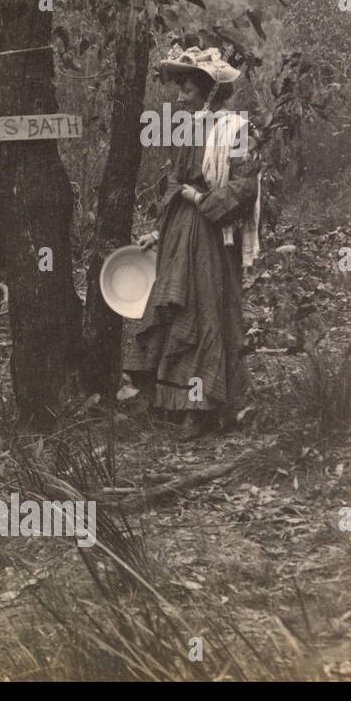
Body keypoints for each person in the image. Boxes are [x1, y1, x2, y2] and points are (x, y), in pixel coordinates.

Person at [124, 45, 262, 440]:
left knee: (205, 313)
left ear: (210, 93)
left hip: (211, 233)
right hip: (180, 228)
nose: (179, 97)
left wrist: (202, 200)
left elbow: (245, 185)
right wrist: (159, 229)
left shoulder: (236, 130)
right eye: (180, 89)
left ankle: (202, 409)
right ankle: (167, 402)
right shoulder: (189, 128)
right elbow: (175, 181)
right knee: (172, 308)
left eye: (187, 90)